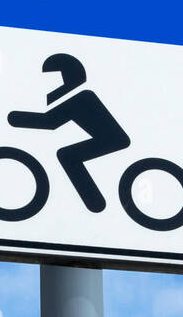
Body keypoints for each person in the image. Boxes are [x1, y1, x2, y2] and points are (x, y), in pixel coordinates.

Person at [7, 54, 130, 212]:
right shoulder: (81, 97)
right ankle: (96, 203)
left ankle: (95, 202)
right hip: (110, 138)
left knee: (67, 156)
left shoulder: (81, 99)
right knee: (68, 154)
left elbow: (50, 121)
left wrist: (15, 118)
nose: (50, 89)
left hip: (113, 140)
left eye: (53, 80)